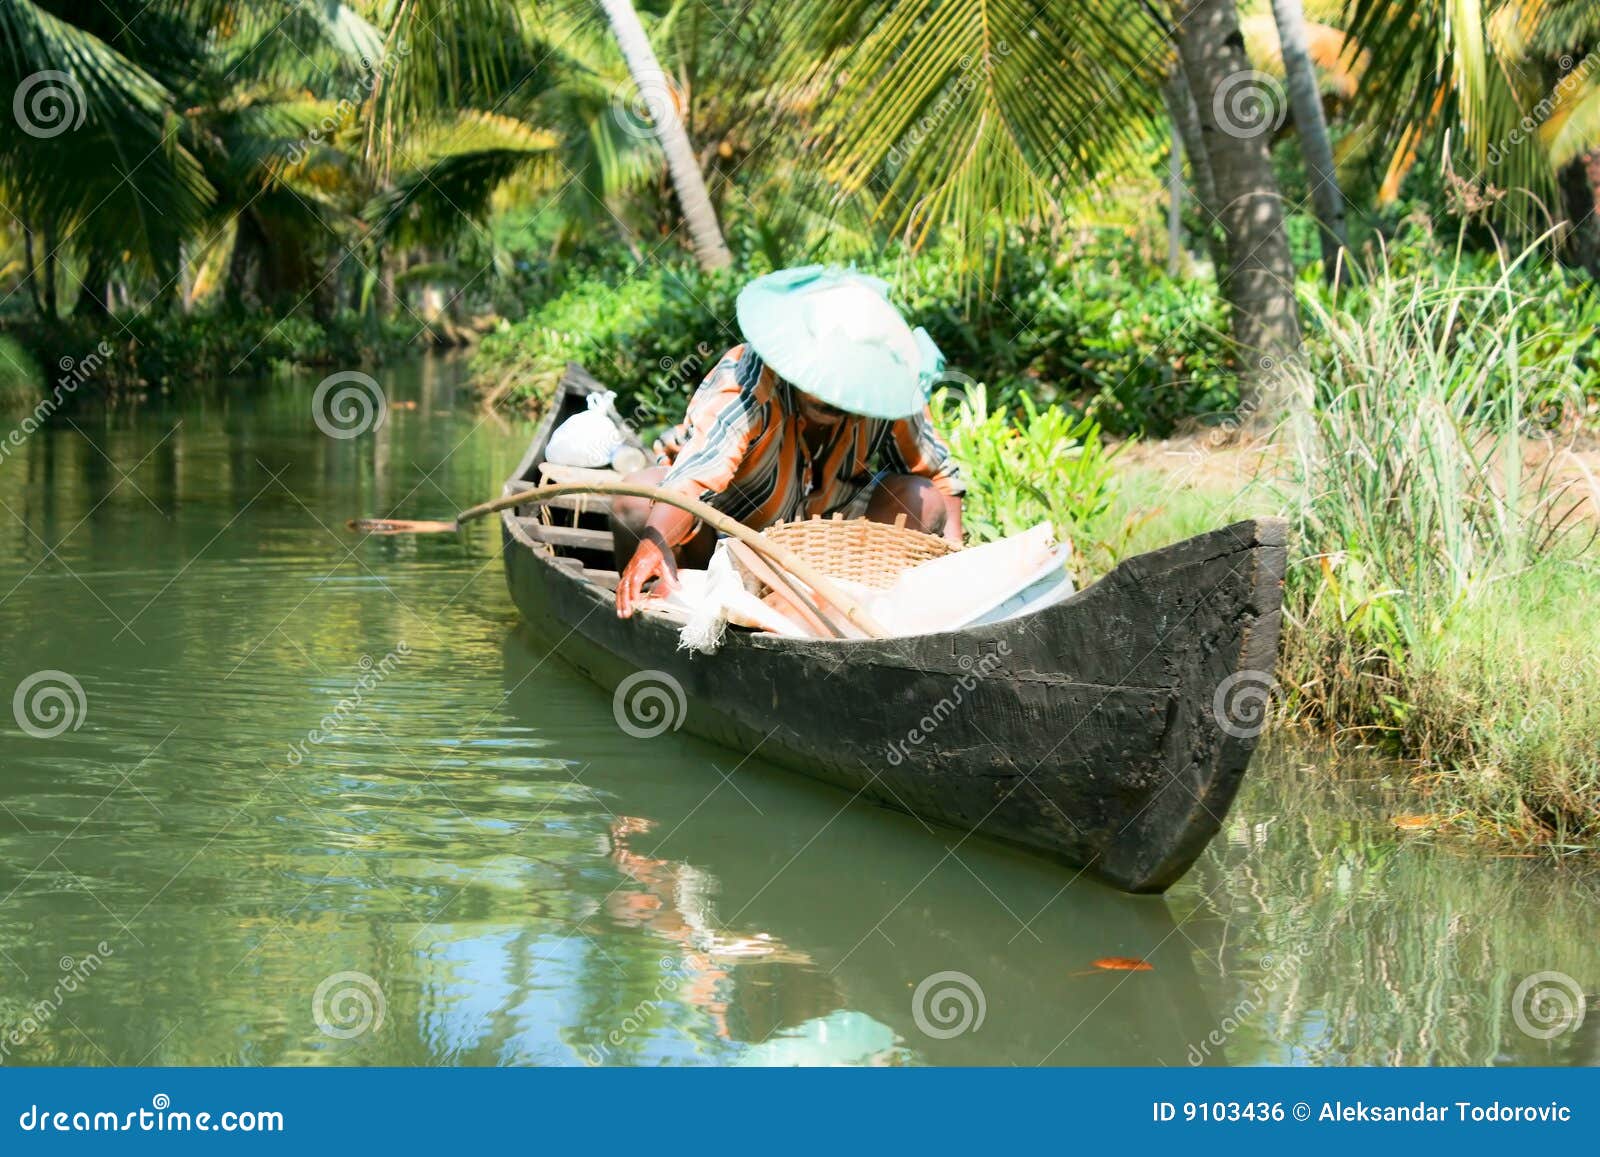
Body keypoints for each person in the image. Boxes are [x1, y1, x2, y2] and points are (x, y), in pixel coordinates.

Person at [613, 265, 965, 618]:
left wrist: (955, 567)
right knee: (636, 500)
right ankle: (677, 604)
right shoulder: (747, 378)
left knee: (925, 501)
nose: (834, 401)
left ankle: (841, 611)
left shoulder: (890, 390)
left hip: (830, 553)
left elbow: (941, 478)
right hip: (724, 536)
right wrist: (653, 544)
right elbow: (695, 478)